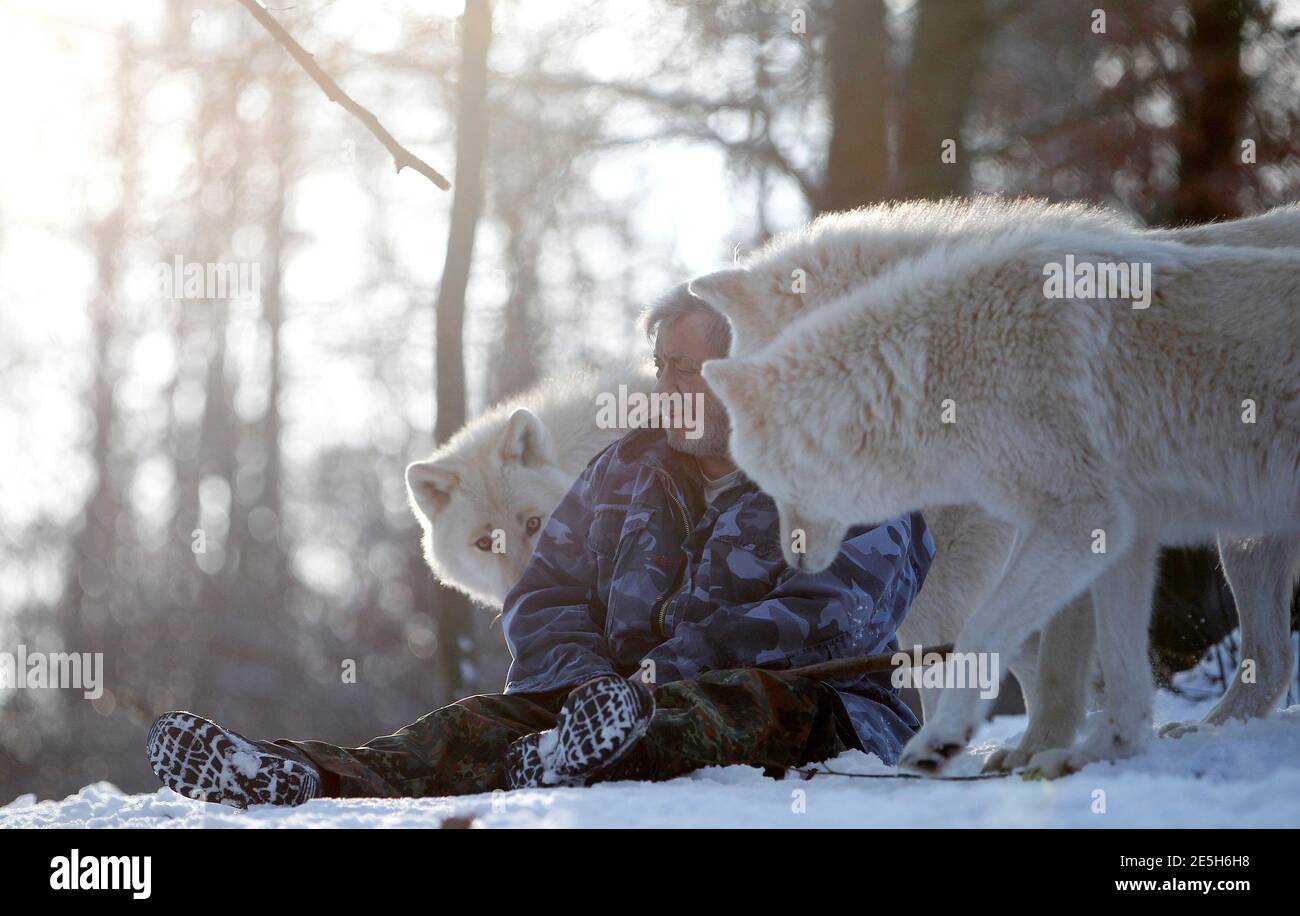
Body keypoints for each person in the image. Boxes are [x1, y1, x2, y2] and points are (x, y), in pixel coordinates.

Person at [146, 284, 934, 806]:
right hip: (609, 702)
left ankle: (581, 747)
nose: (668, 391)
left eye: (691, 370)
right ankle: (297, 773)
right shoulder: (626, 469)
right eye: (662, 368)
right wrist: (584, 683)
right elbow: (548, 591)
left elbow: (834, 615)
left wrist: (651, 681)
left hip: (825, 708)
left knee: (740, 704)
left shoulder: (850, 466)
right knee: (476, 721)